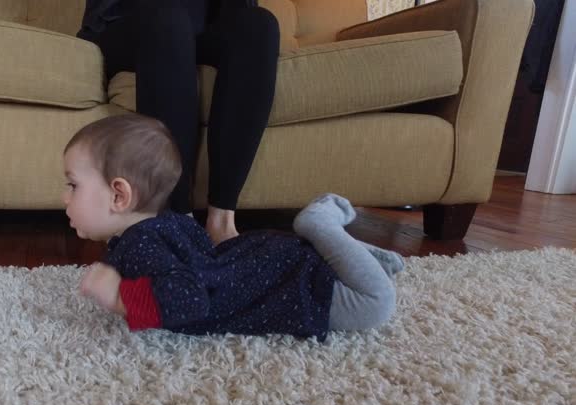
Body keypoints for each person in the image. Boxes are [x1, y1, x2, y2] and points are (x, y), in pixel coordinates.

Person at [62, 114, 404, 341]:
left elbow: (190, 299)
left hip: (300, 289)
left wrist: (120, 298)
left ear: (119, 194)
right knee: (351, 274)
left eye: (73, 185)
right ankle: (358, 255)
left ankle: (322, 223)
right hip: (283, 262)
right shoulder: (167, 226)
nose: (64, 197)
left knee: (377, 304)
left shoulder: (140, 246)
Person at [77, 0, 280, 245]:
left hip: (201, 25)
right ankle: (177, 218)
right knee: (168, 19)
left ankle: (222, 219)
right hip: (130, 23)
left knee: (259, 24)